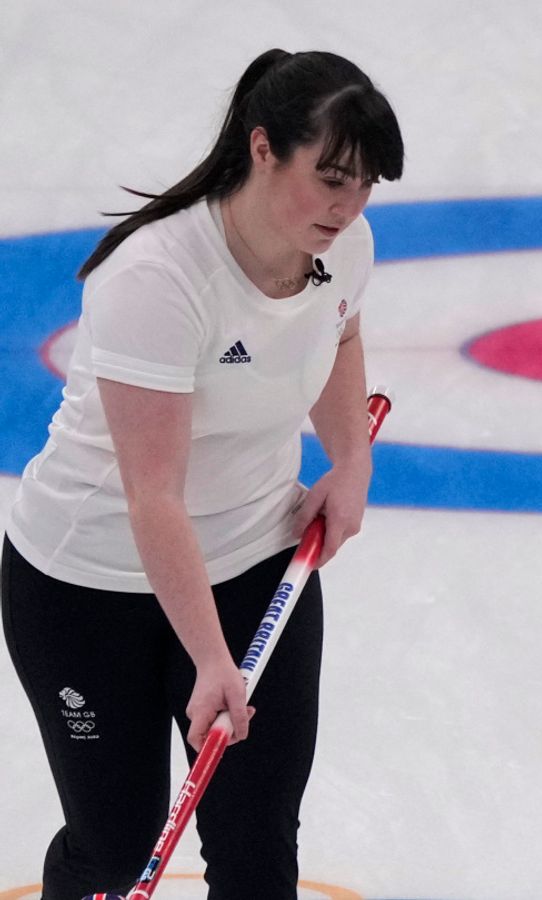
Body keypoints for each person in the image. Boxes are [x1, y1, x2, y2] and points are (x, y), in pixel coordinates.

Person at [0, 50, 403, 899]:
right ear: (262, 148)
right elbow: (155, 498)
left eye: (364, 183)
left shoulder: (345, 245)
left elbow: (339, 333)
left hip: (257, 557)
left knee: (258, 854)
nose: (349, 204)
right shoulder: (156, 278)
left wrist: (351, 460)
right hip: (88, 585)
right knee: (115, 849)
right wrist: (212, 658)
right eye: (330, 178)